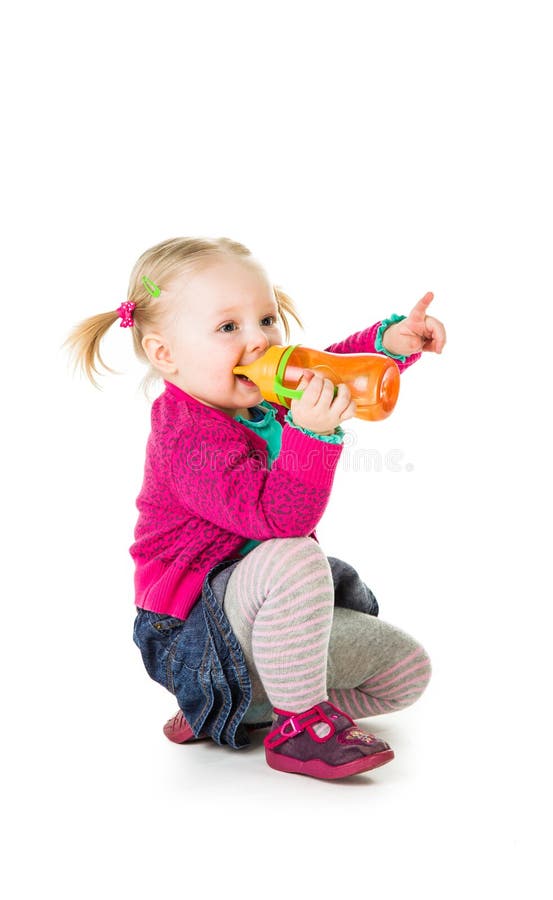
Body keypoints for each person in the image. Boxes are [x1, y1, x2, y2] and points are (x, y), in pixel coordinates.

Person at [64, 236, 446, 780]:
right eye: (228, 328)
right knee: (291, 552)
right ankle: (295, 726)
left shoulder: (255, 392)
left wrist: (391, 343)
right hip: (195, 635)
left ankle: (234, 709)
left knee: (407, 672)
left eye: (266, 319)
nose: (261, 341)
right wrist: (311, 439)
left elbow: (330, 372)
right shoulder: (187, 436)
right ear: (164, 353)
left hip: (261, 629)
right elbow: (283, 521)